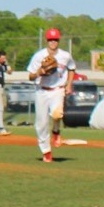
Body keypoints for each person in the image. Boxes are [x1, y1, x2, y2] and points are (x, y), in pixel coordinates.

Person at [25, 28, 74, 163]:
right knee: (41, 124)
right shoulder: (39, 56)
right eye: (51, 39)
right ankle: (46, 151)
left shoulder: (65, 56)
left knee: (57, 114)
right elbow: (30, 76)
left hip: (58, 90)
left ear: (59, 41)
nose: (53, 42)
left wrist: (69, 84)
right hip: (42, 91)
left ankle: (56, 131)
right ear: (47, 41)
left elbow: (72, 68)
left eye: (55, 39)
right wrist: (38, 72)